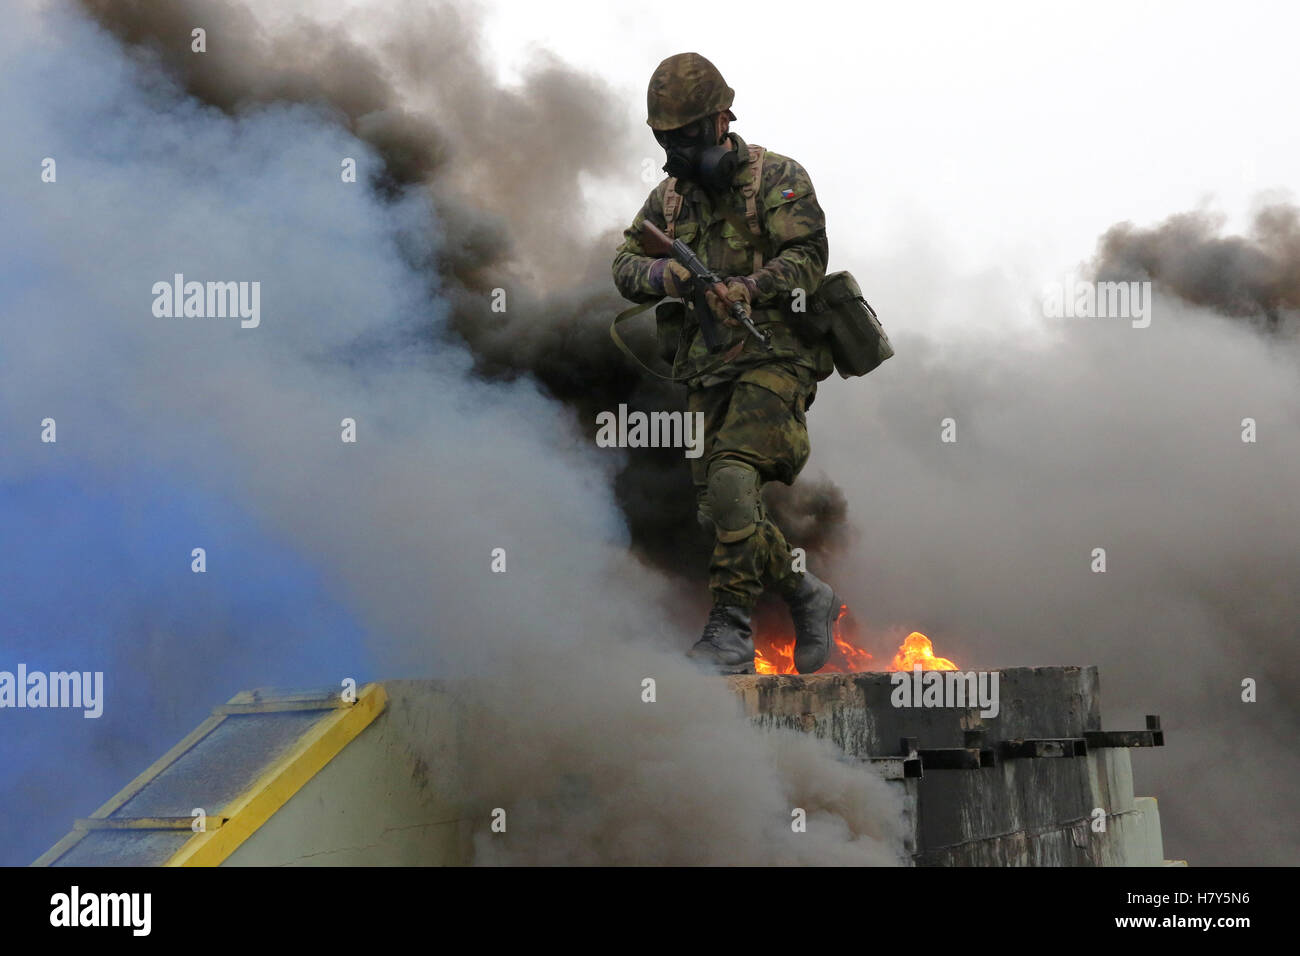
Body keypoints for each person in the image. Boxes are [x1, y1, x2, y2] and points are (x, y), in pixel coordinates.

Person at [611, 52, 842, 675]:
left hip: (776, 354)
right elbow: (625, 267)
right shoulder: (669, 202)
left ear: (721, 122)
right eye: (664, 139)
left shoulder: (777, 178)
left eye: (685, 137)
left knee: (735, 478)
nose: (675, 152)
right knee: (722, 507)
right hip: (707, 366)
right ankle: (804, 593)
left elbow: (807, 257)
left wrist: (750, 286)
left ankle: (730, 633)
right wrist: (668, 274)